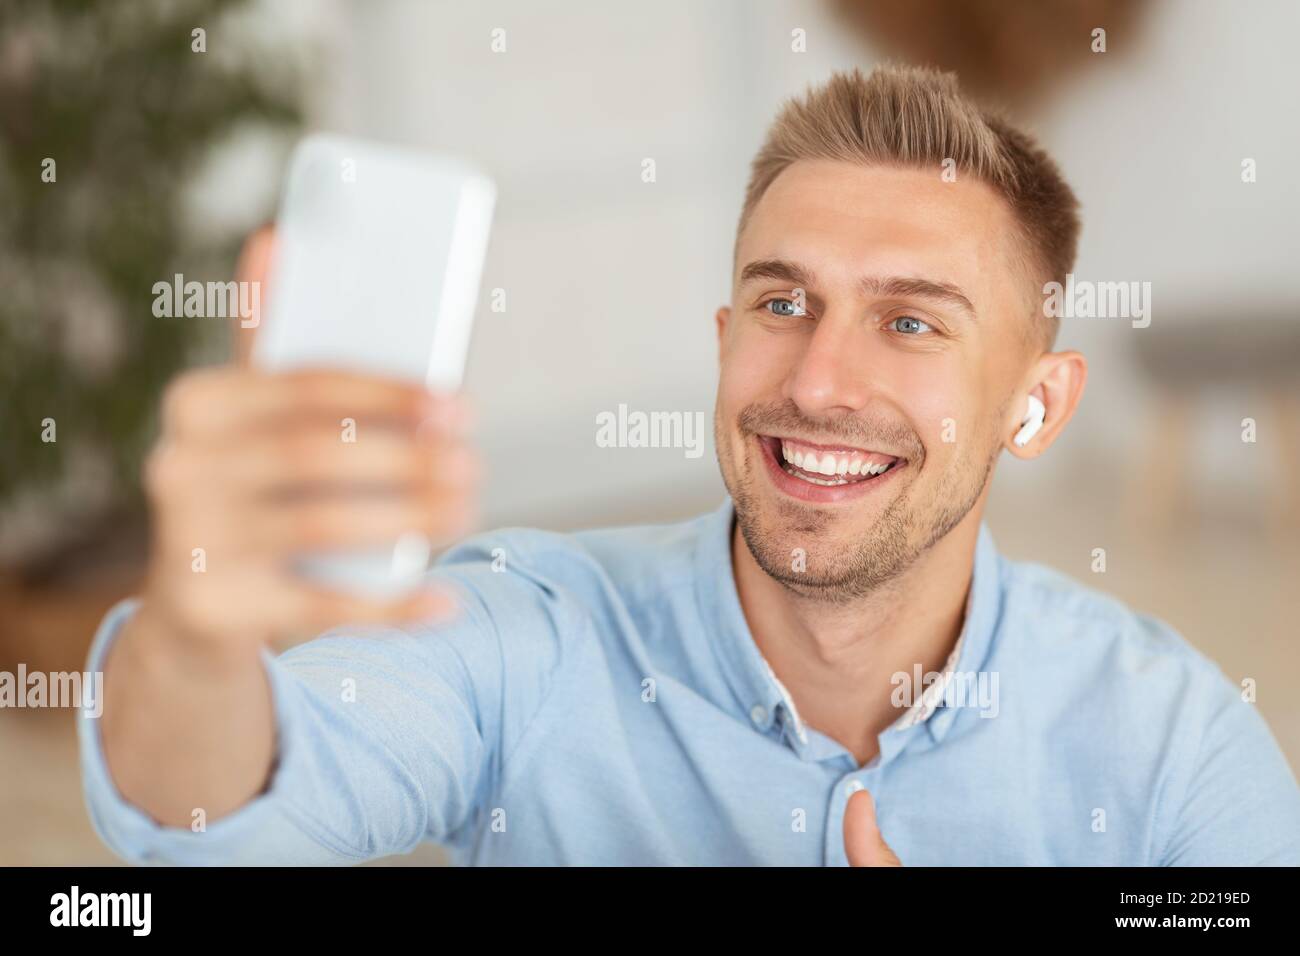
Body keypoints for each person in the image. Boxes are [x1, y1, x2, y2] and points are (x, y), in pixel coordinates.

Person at [79, 65, 1300, 865]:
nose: (817, 381)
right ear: (725, 341)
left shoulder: (1172, 750)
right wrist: (193, 640)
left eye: (911, 320)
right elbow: (213, 824)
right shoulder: (527, 631)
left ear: (1034, 405)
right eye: (782, 302)